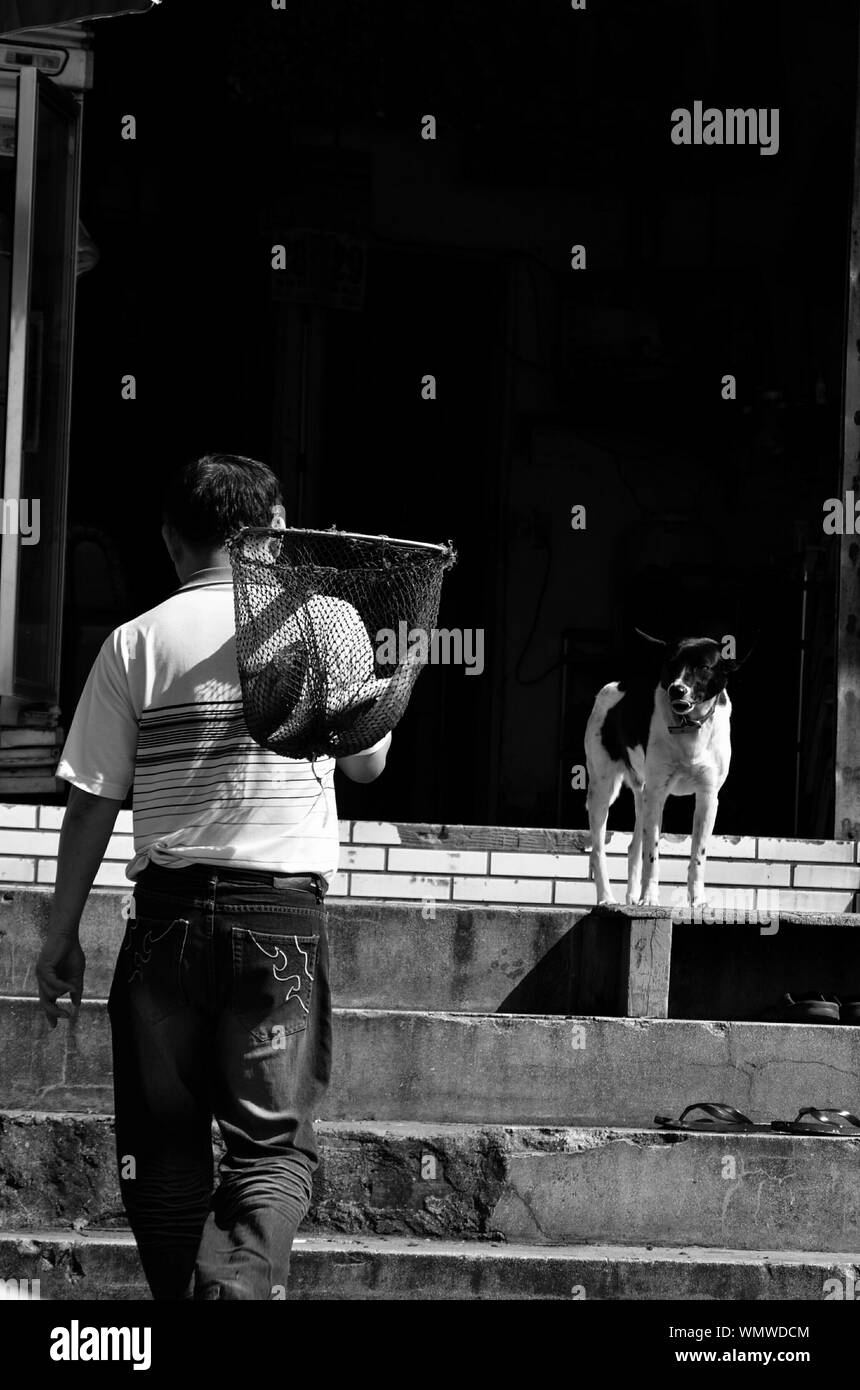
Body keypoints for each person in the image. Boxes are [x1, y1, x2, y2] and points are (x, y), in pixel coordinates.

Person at [35, 453, 391, 1300]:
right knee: (271, 1149)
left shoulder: (136, 641)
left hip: (165, 924)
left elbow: (91, 804)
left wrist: (60, 937)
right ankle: (235, 1289)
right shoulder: (326, 623)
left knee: (160, 1151)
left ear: (170, 540)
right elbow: (372, 761)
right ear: (272, 533)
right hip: (282, 929)